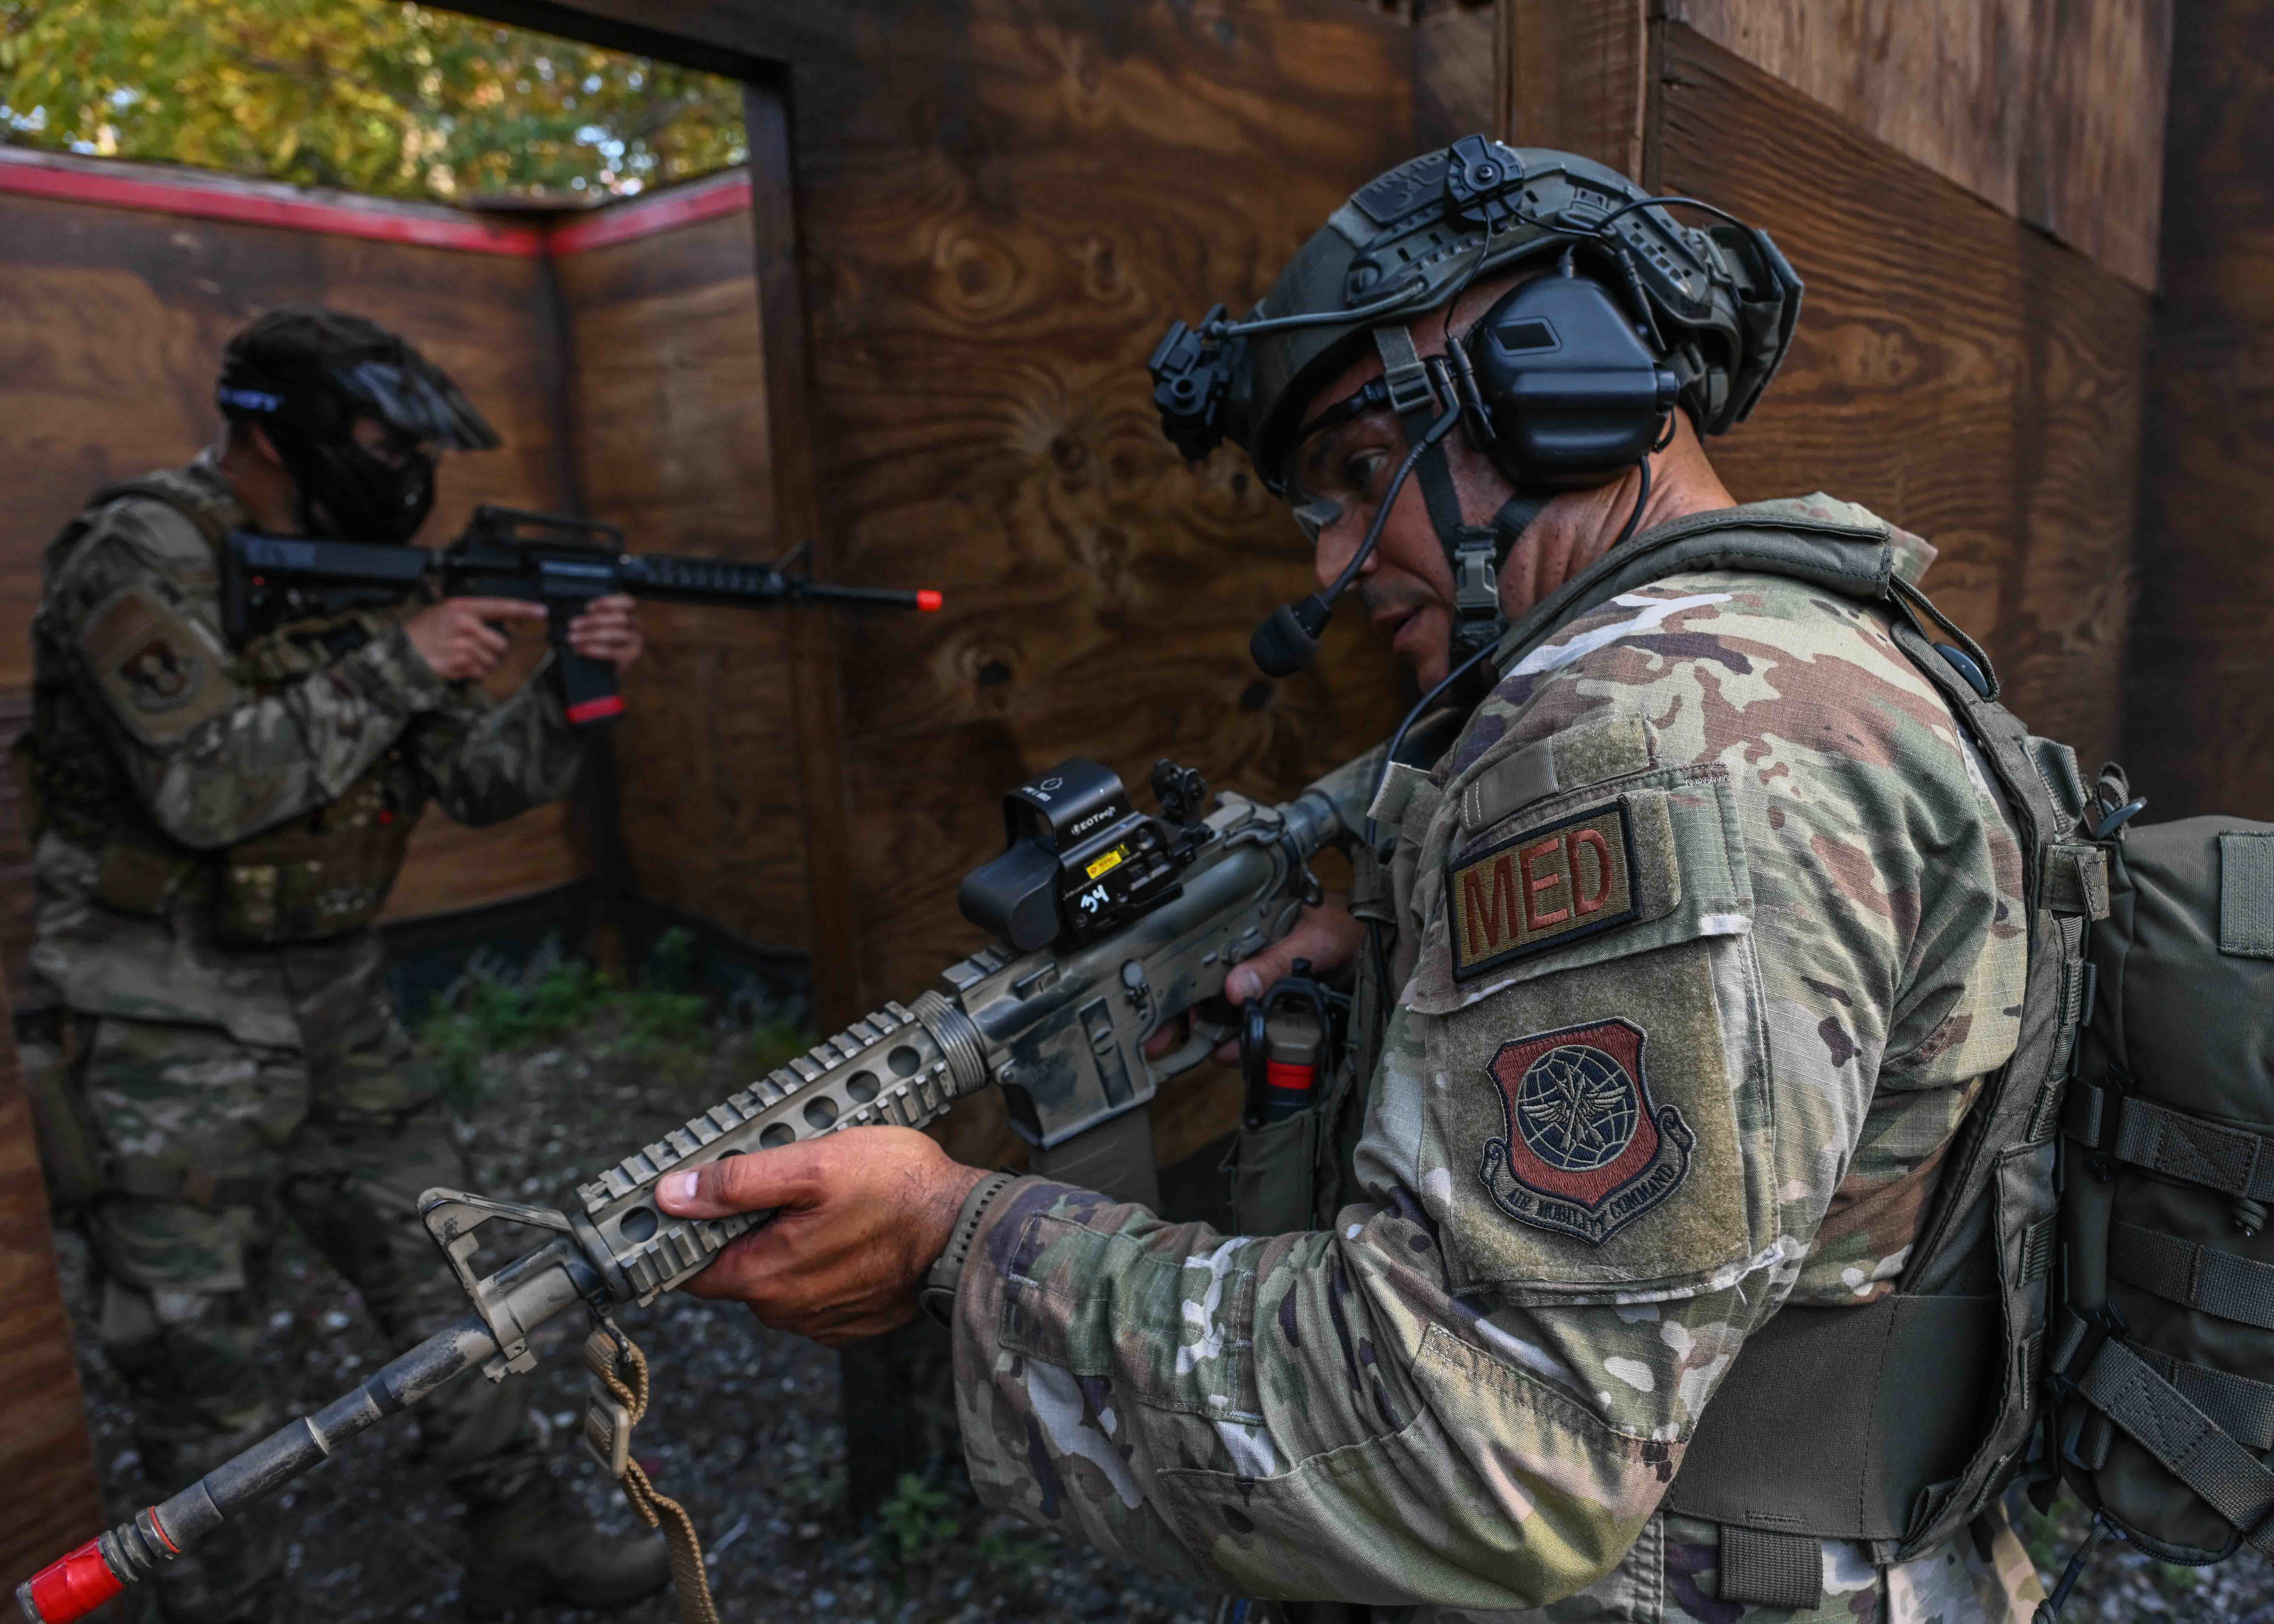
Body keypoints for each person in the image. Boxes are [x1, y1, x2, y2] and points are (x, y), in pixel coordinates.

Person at [653, 141, 2052, 1621]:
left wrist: (958, 1242)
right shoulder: (1808, 641)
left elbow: (1475, 1449)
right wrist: (1414, 955)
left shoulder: (1643, 743)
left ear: (1546, 382)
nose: (1328, 564)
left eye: (1350, 474)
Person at [21, 307, 668, 1621]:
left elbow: (478, 780)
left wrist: (570, 688)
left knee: (453, 1276)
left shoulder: (369, 576)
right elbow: (201, 788)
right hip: (158, 1015)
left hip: (331, 995)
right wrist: (398, 661)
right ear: (274, 430)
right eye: (380, 439)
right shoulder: (138, 549)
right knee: (197, 1358)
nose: (406, 471)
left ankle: (524, 1532)